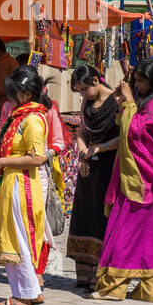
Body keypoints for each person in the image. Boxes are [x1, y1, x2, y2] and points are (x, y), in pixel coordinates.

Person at [92, 59, 153, 301]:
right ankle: (136, 288)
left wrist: (128, 103)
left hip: (144, 175)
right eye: (135, 80)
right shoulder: (145, 101)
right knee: (133, 229)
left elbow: (135, 131)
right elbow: (126, 125)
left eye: (141, 81)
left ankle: (116, 287)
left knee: (128, 230)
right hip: (132, 171)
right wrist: (123, 104)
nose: (136, 85)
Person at [0, 66, 51, 305]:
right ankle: (28, 290)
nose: (10, 97)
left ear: (25, 94)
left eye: (13, 93)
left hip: (22, 183)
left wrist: (3, 161)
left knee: (20, 239)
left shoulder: (33, 120)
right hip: (13, 181)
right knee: (16, 236)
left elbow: (38, 158)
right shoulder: (22, 117)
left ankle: (24, 293)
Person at [65, 65, 119, 291]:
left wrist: (99, 149)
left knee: (101, 218)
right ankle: (84, 275)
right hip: (89, 166)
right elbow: (82, 133)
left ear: (96, 81)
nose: (83, 94)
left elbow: (123, 137)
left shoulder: (117, 101)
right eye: (79, 91)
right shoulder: (87, 102)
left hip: (109, 166)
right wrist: (83, 157)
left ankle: (100, 275)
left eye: (84, 89)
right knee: (84, 215)